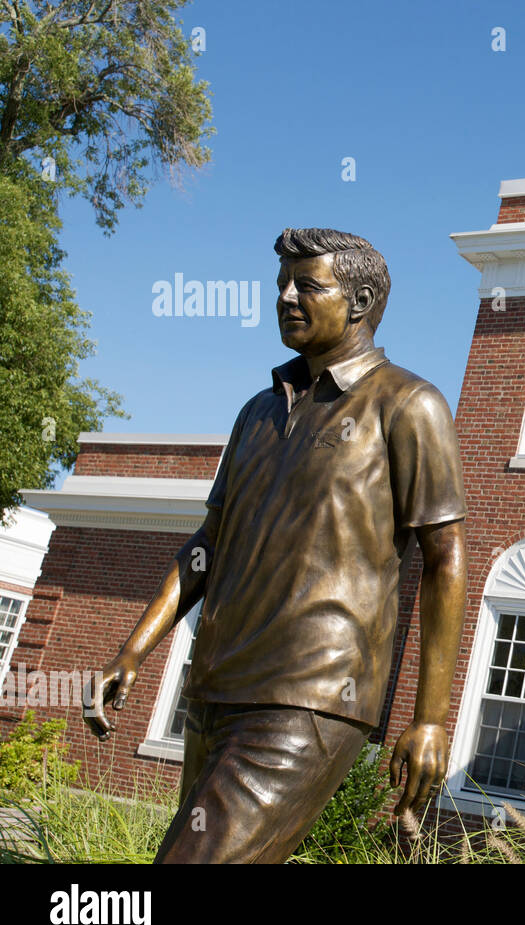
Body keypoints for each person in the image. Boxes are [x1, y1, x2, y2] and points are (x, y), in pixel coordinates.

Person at [83, 227, 468, 863]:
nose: (286, 297)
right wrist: (133, 651)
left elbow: (445, 559)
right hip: (215, 689)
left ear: (362, 299)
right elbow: (208, 544)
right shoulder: (256, 413)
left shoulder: (408, 404)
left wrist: (430, 717)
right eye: (281, 285)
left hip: (312, 694)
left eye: (307, 286)